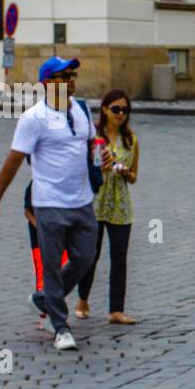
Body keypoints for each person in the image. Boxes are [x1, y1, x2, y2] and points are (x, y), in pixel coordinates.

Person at [0, 57, 110, 351]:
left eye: (72, 75)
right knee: (51, 265)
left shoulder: (80, 109)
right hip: (49, 202)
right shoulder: (33, 118)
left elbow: (91, 143)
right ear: (46, 83)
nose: (70, 81)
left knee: (85, 257)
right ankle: (61, 326)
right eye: (63, 76)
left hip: (82, 200)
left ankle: (43, 299)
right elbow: (14, 160)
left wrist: (100, 158)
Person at [76, 90, 139, 325]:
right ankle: (82, 299)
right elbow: (81, 167)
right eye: (116, 109)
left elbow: (134, 177)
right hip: (95, 202)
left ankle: (116, 310)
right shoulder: (93, 135)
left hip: (120, 206)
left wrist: (125, 172)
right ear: (104, 109)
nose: (120, 114)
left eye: (125, 110)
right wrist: (99, 169)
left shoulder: (131, 140)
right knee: (90, 255)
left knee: (119, 258)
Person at [24, 180, 68, 327]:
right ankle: (43, 313)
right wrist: (40, 226)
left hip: (60, 238)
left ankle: (57, 310)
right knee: (42, 276)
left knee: (61, 274)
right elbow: (27, 212)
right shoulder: (34, 185)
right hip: (39, 239)